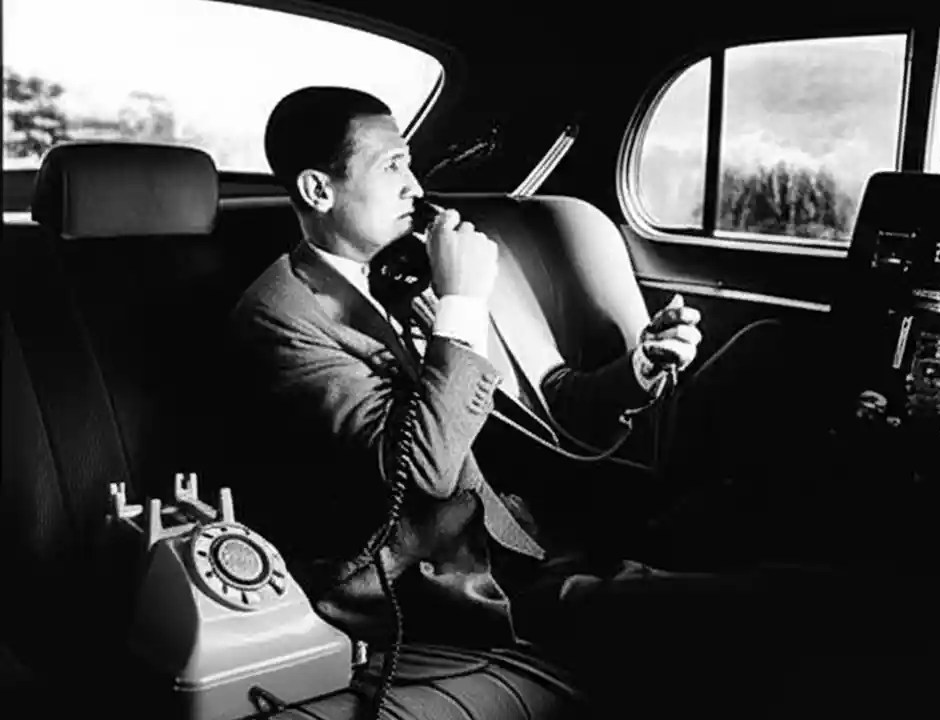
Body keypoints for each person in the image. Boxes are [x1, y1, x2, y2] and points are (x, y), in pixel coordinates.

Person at [224, 86, 885, 720]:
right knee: (793, 607)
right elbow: (419, 471)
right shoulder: (280, 319)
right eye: (393, 165)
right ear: (317, 189)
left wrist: (641, 365)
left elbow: (547, 410)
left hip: (551, 524)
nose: (415, 187)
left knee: (810, 526)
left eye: (413, 163)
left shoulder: (413, 272)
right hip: (463, 584)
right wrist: (461, 304)